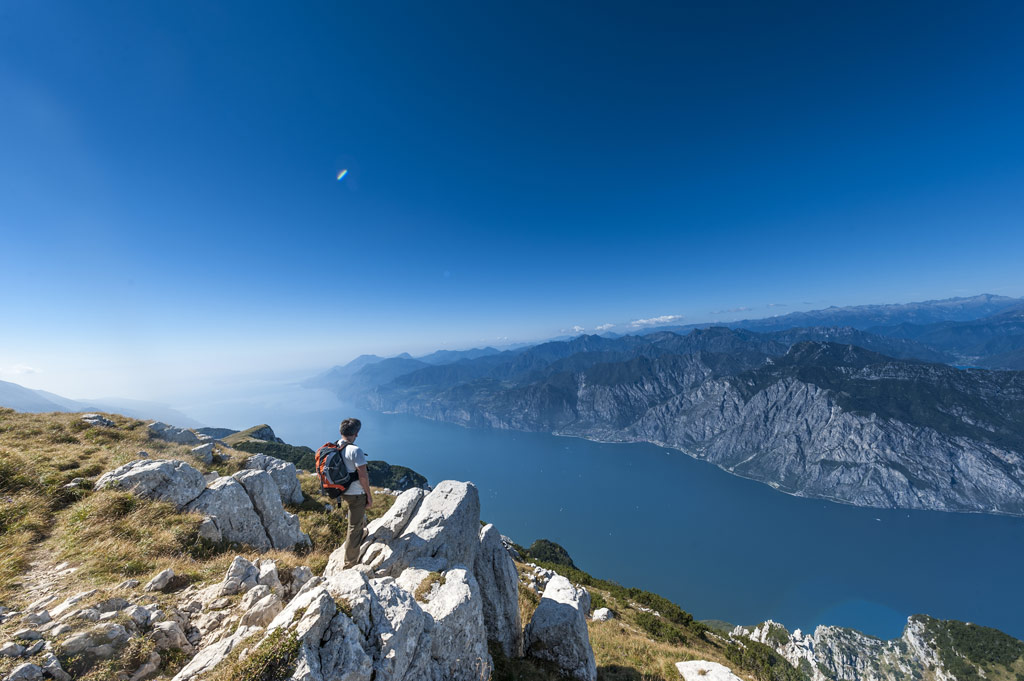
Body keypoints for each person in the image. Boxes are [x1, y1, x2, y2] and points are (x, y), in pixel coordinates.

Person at [337, 417, 373, 568]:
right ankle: (349, 563)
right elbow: (363, 477)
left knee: (356, 521)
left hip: (342, 491)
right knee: (354, 527)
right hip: (356, 494)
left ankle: (362, 533)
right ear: (356, 433)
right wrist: (369, 497)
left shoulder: (336, 446)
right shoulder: (356, 450)